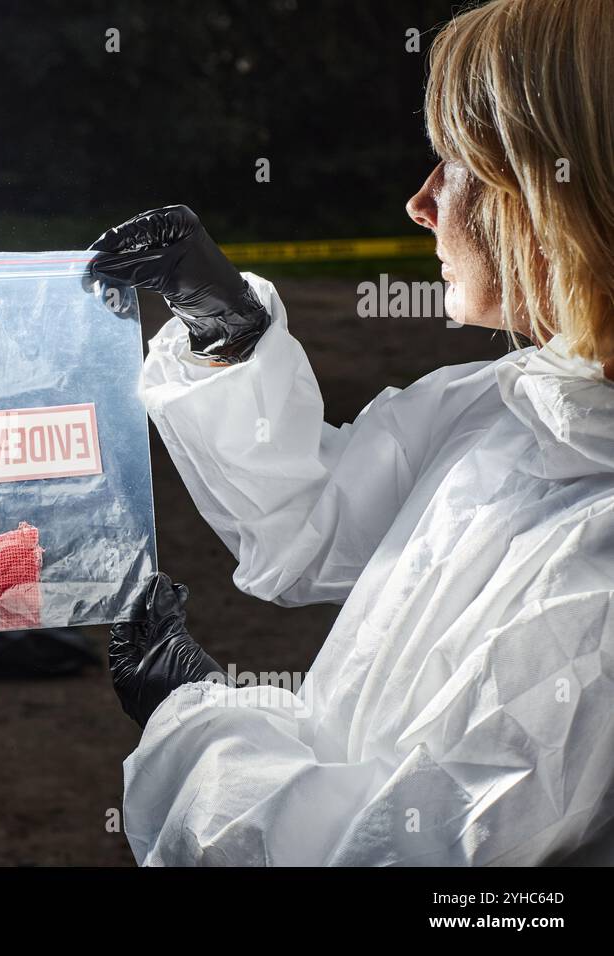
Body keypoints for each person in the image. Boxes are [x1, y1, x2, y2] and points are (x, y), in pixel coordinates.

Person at [96, 0, 614, 866]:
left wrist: (194, 732)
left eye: (457, 164)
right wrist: (228, 333)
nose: (420, 202)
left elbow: (398, 850)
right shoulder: (514, 408)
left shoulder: (597, 554)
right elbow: (316, 527)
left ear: (553, 188)